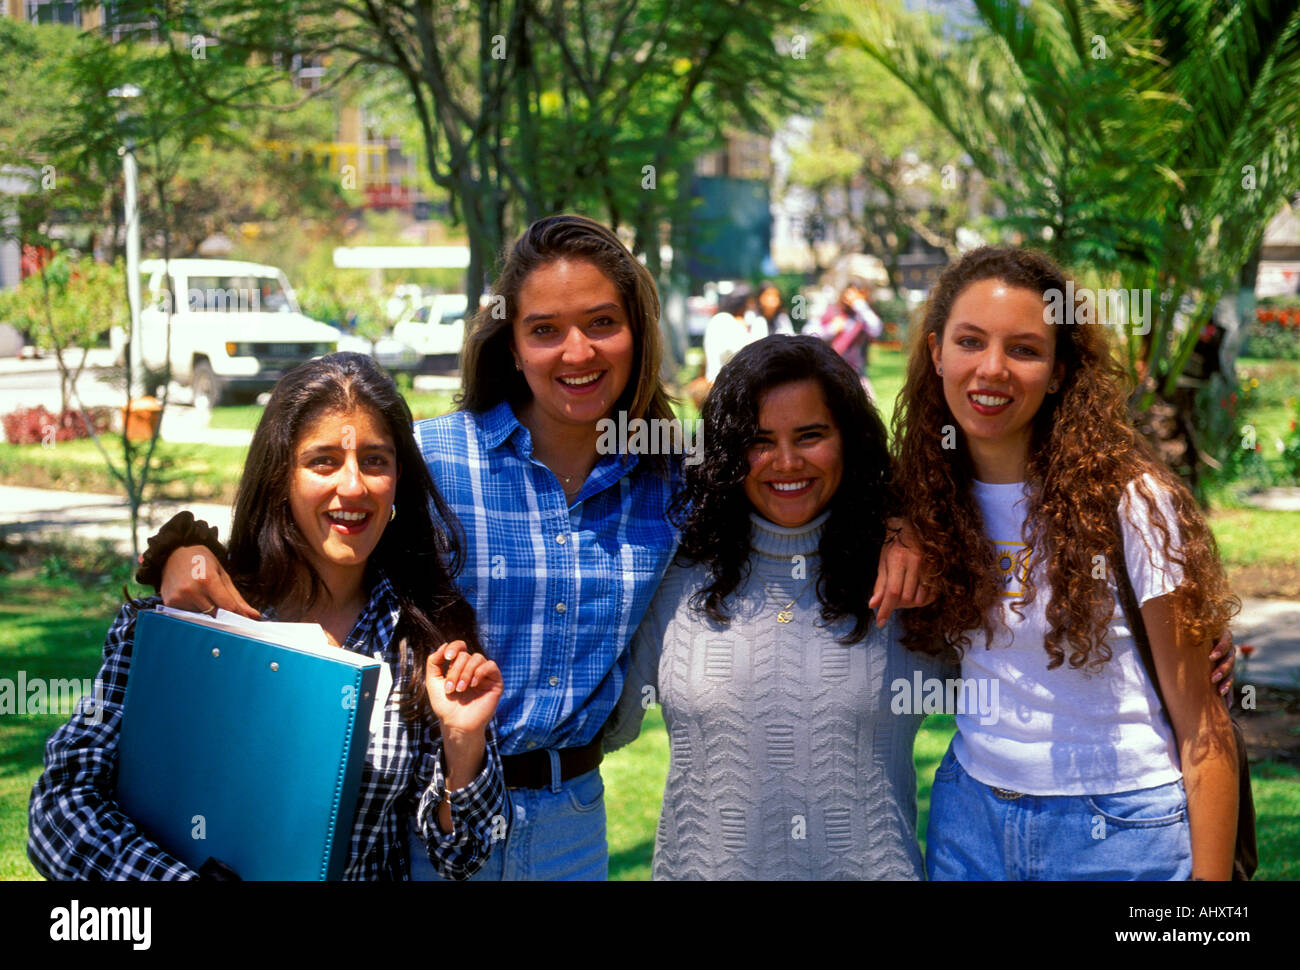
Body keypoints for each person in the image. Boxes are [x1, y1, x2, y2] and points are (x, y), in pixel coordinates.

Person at [141, 216, 933, 880]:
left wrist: (902, 521)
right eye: (544, 330)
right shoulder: (430, 460)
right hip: (430, 811)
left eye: (601, 323)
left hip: (574, 826)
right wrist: (184, 547)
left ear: (636, 334)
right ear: (511, 344)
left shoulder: (673, 477)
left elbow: (804, 479)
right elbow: (304, 527)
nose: (577, 353)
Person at [28, 353, 506, 880]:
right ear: (280, 477)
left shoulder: (423, 642)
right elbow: (59, 810)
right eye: (323, 461)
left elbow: (460, 857)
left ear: (398, 481)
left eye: (375, 460)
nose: (353, 486)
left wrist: (463, 742)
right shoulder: (184, 621)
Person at [891, 246, 1240, 880]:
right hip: (970, 821)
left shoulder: (1132, 502)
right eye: (970, 342)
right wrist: (896, 525)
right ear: (937, 352)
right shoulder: (921, 494)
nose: (991, 369)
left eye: (1024, 349)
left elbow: (1203, 728)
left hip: (1120, 832)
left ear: (1057, 371)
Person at [602, 335, 946, 879]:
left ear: (849, 441)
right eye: (759, 441)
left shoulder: (904, 574)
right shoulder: (673, 575)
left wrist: (921, 529)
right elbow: (607, 726)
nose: (786, 462)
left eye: (811, 435)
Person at [807, 279, 884, 398]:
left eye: (855, 294)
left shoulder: (864, 316)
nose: (849, 297)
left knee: (867, 407)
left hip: (857, 374)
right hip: (831, 372)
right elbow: (808, 333)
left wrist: (859, 304)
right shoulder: (832, 310)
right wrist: (831, 329)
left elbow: (876, 329)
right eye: (848, 293)